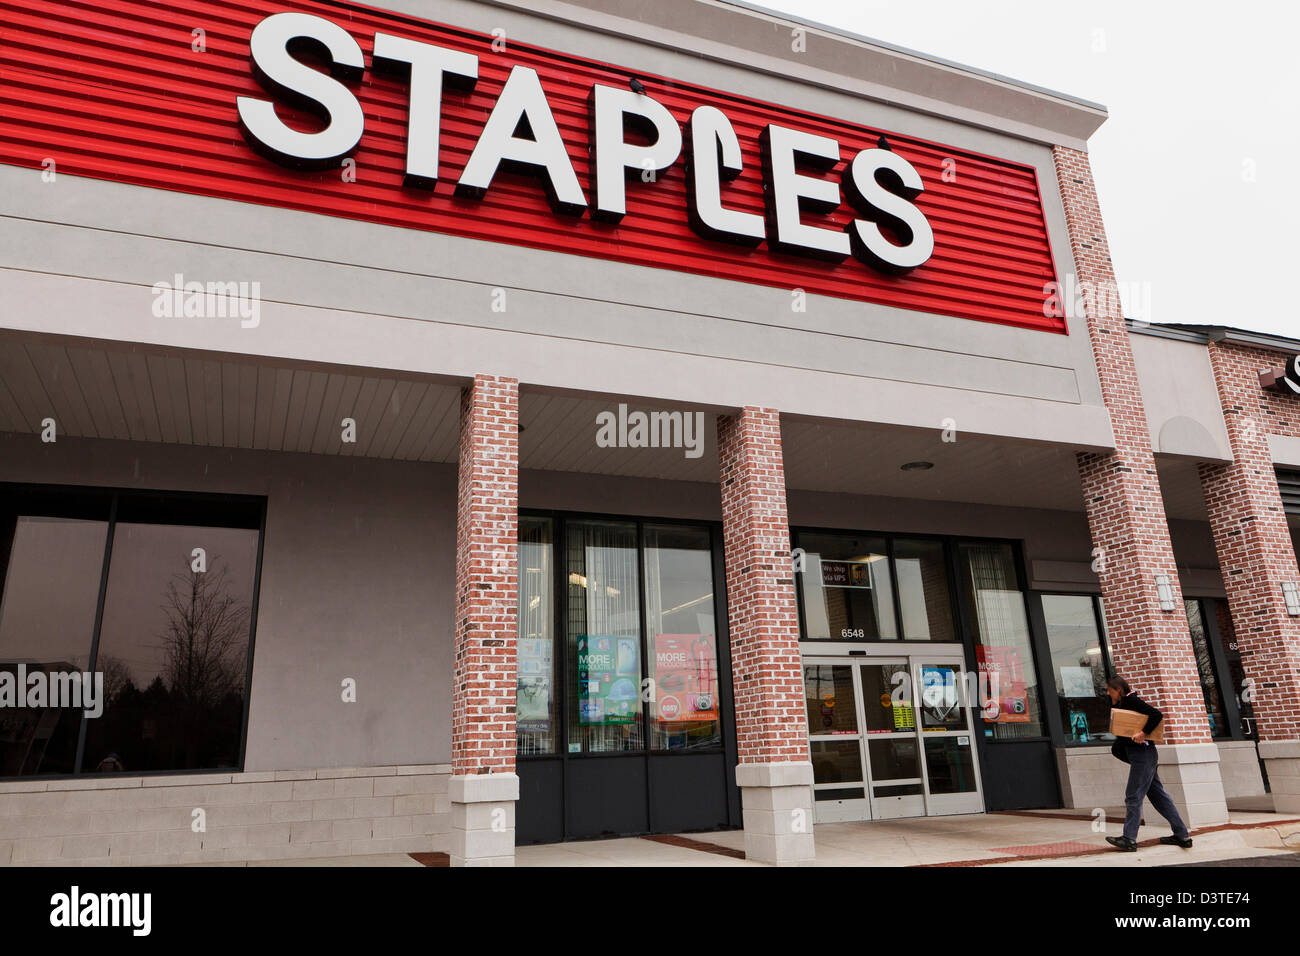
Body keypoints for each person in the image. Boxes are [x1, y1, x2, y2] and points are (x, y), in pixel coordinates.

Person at [1104, 676, 1193, 852]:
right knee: (1159, 797)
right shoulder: (1121, 704)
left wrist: (1143, 733)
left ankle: (1129, 839)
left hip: (1143, 754)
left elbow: (1156, 715)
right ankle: (1182, 835)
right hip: (1140, 757)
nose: (1107, 693)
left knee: (1133, 795)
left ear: (1119, 690)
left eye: (1110, 690)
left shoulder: (1132, 701)